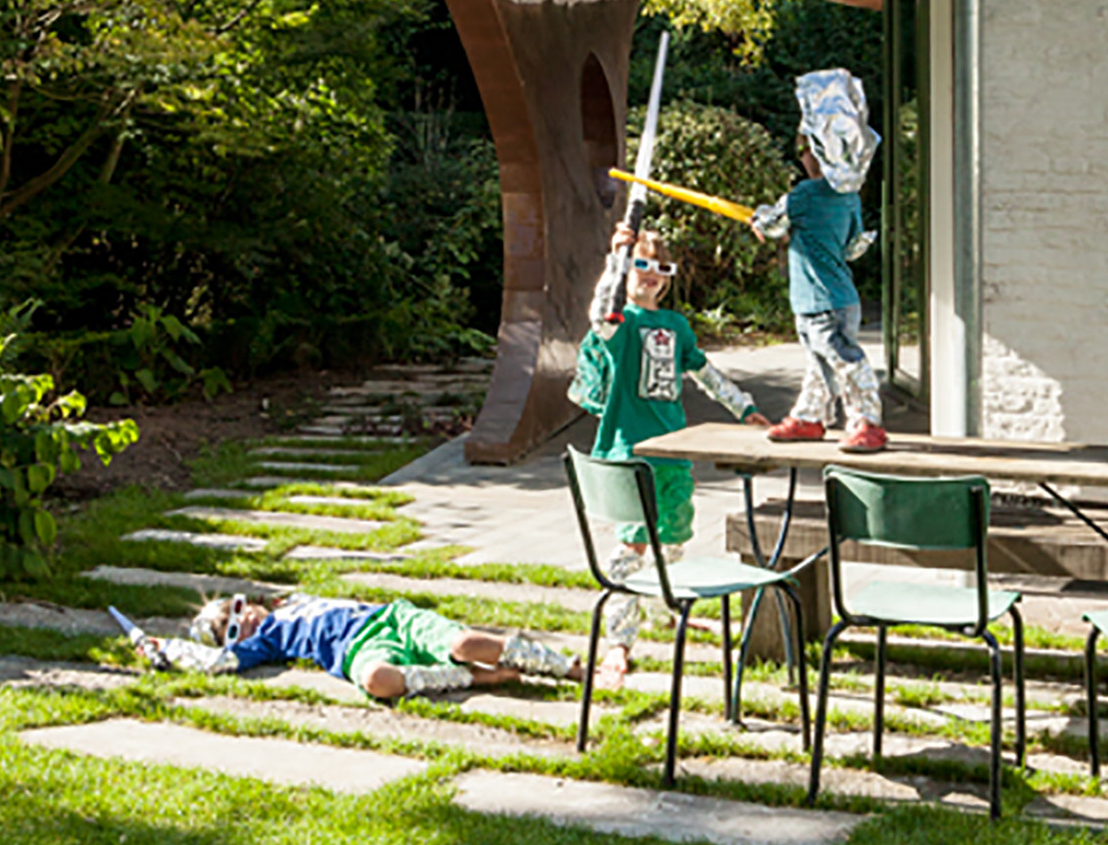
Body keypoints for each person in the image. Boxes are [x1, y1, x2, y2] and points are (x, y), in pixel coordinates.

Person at [570, 222, 769, 591]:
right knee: (633, 544)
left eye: (662, 268)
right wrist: (616, 259)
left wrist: (742, 407)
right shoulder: (621, 324)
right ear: (626, 271)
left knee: (675, 540)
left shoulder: (676, 325)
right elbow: (599, 317)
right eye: (642, 265)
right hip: (632, 453)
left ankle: (671, 606)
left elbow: (705, 373)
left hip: (674, 452)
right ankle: (619, 641)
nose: (653, 276)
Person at [132, 587, 600, 703]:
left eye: (237, 607)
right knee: (380, 682)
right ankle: (477, 677)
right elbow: (218, 663)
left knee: (464, 639)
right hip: (356, 650)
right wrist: (164, 649)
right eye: (231, 626)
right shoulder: (266, 643)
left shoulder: (289, 602)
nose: (244, 618)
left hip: (392, 617)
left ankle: (569, 668)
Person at [751, 69, 886, 453]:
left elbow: (774, 222)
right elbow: (853, 246)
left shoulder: (806, 194)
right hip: (834, 298)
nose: (806, 158)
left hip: (821, 300)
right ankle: (810, 417)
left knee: (842, 358)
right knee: (819, 363)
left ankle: (868, 422)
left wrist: (760, 221)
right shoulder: (849, 198)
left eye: (807, 149)